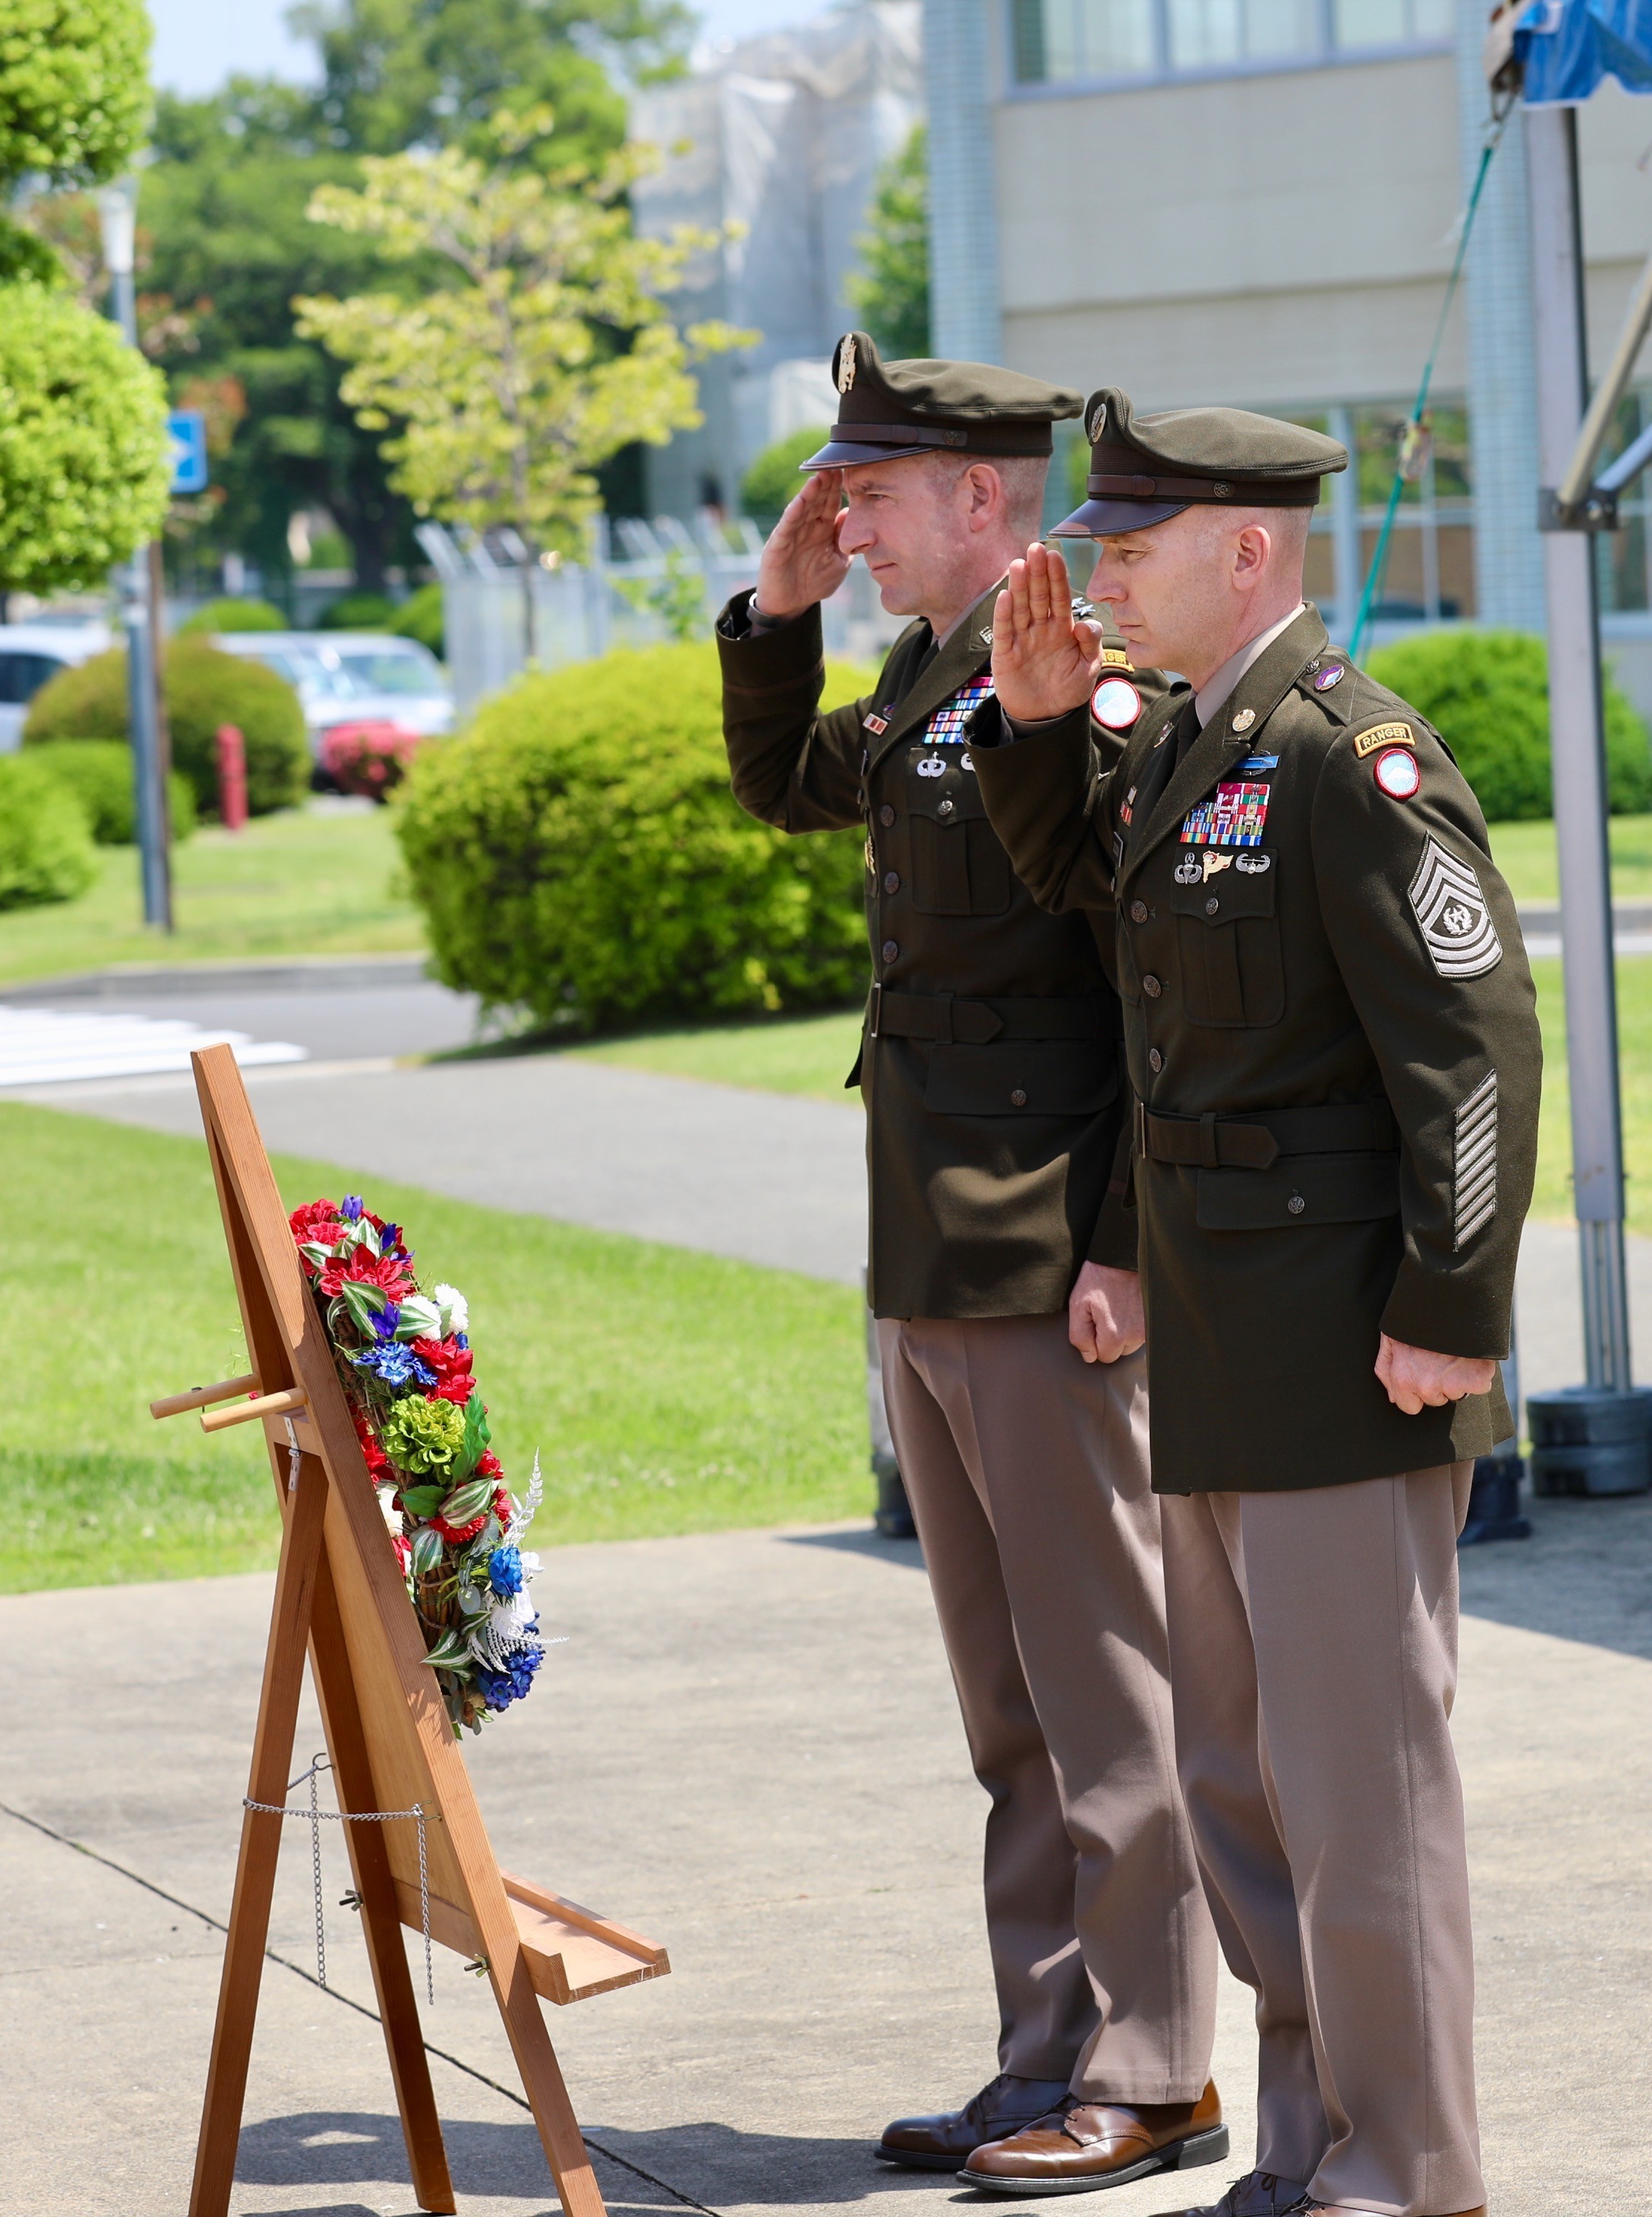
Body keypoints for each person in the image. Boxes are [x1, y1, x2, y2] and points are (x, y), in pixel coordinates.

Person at [968, 388, 1540, 2217]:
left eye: (1128, 549)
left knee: (1357, 1800)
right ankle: (1307, 2149)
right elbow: (1087, 912)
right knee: (1243, 1791)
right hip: (1216, 1351)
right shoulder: (1183, 750)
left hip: (1344, 1356)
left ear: (1247, 548)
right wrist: (1042, 735)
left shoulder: (1344, 756)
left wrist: (1450, 1302)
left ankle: (1411, 2169)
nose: (1095, 575)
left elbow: (1470, 1057)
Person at [716, 334, 1224, 2198]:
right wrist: (770, 617)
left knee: (1106, 1693)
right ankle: (1048, 2060)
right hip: (932, 1252)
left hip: (1043, 1263)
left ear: (977, 502)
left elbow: (1145, 997)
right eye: (837, 489)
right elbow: (790, 787)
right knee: (1008, 1707)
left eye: (865, 491)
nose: (838, 515)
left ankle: (1157, 2069)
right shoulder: (932, 676)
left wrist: (1120, 1254)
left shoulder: (1067, 710)